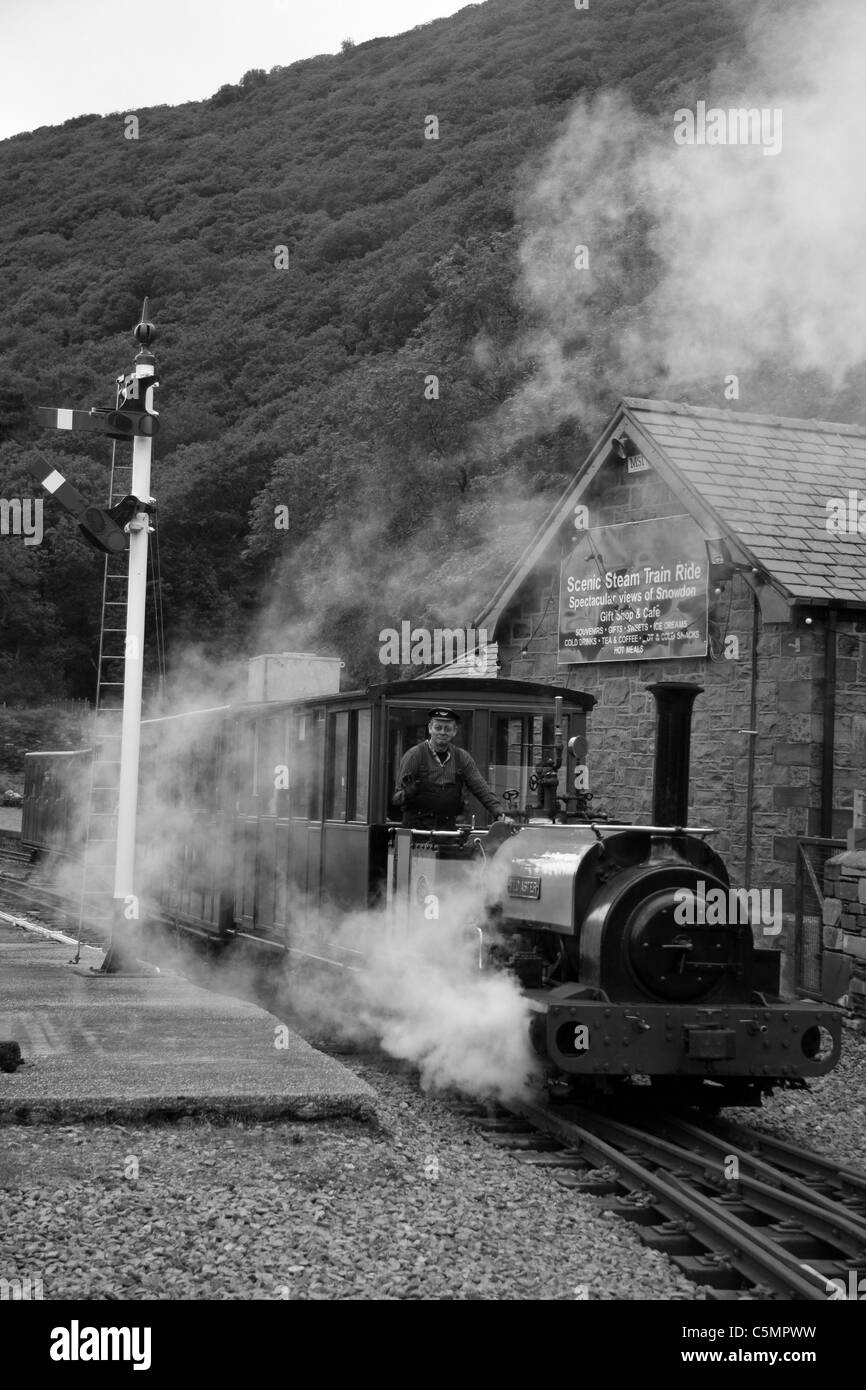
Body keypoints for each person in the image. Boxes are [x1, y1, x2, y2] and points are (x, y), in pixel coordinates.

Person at [394, 707, 515, 831]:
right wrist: (408, 792)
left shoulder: (462, 758)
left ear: (454, 731)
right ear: (430, 728)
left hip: (447, 831)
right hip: (415, 831)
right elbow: (396, 799)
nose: (442, 732)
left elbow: (481, 789)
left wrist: (500, 814)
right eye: (438, 728)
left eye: (447, 729)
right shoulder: (414, 756)